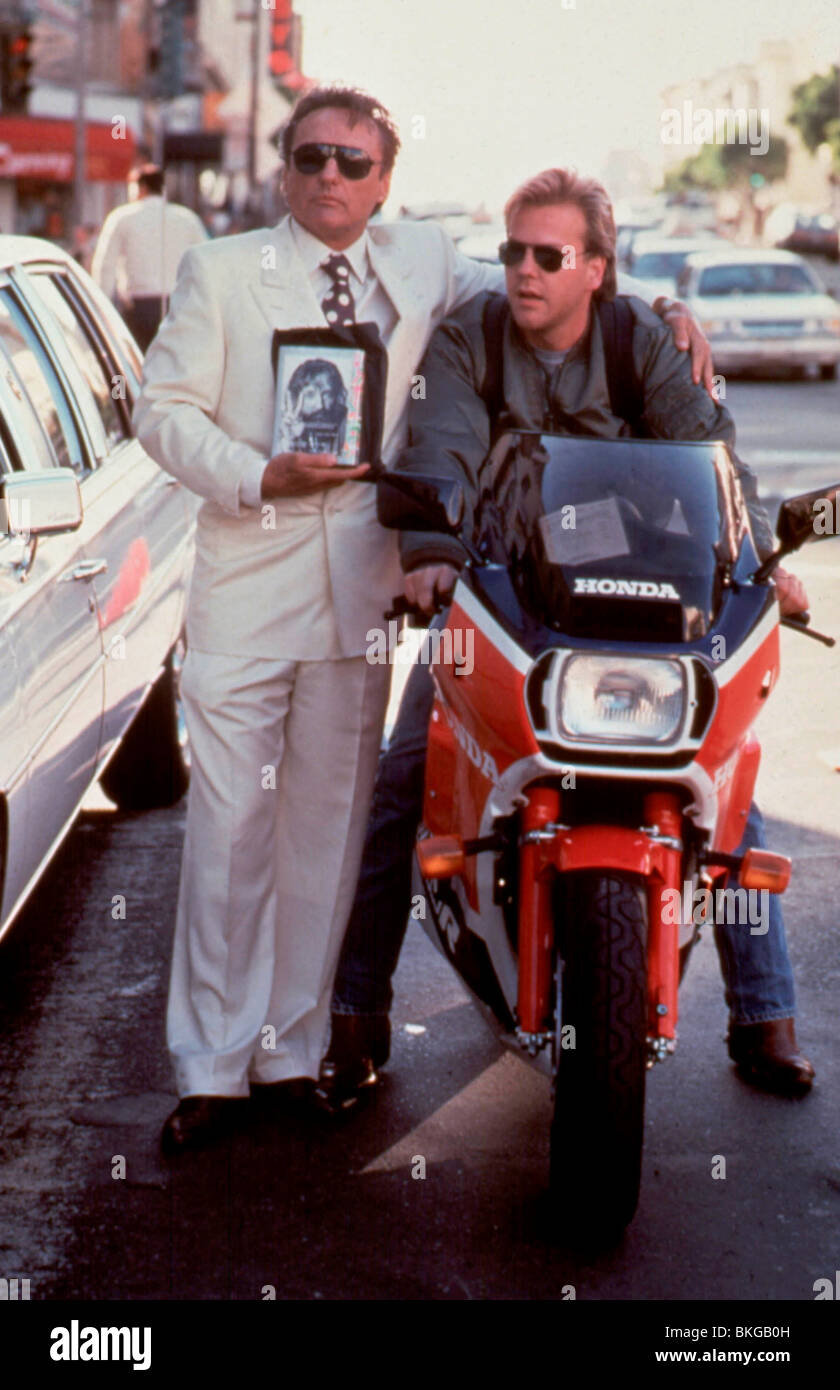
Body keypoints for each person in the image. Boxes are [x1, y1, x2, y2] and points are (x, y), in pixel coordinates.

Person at [132, 87, 714, 1156]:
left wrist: (662, 306)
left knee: (326, 835)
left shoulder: (422, 260)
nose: (332, 178)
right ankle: (211, 1066)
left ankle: (290, 1053)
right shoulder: (220, 271)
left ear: (386, 178)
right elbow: (158, 412)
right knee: (227, 839)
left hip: (362, 594)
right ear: (284, 168)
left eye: (355, 163)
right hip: (246, 591)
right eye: (313, 157)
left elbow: (539, 282)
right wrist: (257, 471)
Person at [319, 166, 814, 1112]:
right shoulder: (473, 339)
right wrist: (428, 552)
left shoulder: (638, 340)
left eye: (550, 255)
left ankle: (765, 1015)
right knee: (400, 782)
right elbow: (439, 449)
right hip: (502, 600)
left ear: (596, 267)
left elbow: (708, 444)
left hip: (633, 604)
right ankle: (355, 1017)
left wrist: (757, 556)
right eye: (513, 251)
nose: (524, 270)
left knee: (724, 778)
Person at [91, 164, 207, 351]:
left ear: (141, 187)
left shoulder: (121, 217)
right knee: (173, 364)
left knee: (138, 365)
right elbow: (204, 262)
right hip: (178, 305)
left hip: (137, 308)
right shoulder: (187, 219)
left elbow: (105, 265)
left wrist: (99, 308)